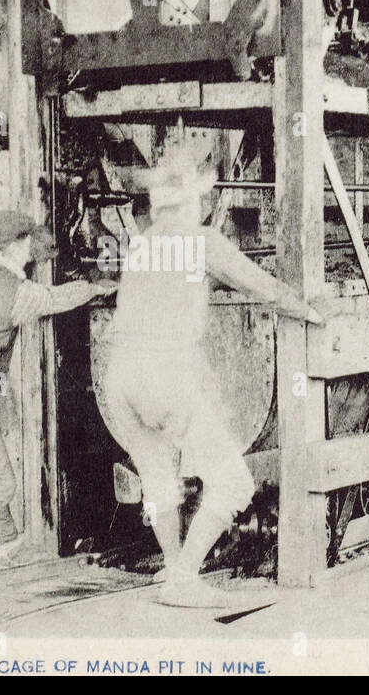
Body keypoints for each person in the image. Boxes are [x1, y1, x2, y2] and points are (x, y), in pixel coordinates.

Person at [101, 161, 324, 608]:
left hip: (118, 373)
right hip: (161, 373)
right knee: (233, 483)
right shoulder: (201, 241)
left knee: (158, 477)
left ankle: (172, 568)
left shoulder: (141, 246)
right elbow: (261, 286)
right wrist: (311, 311)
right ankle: (183, 579)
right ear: (193, 204)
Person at [0, 210, 113, 580]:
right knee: (2, 483)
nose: (32, 250)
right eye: (27, 243)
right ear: (15, 244)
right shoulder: (18, 294)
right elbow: (55, 298)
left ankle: (9, 542)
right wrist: (97, 287)